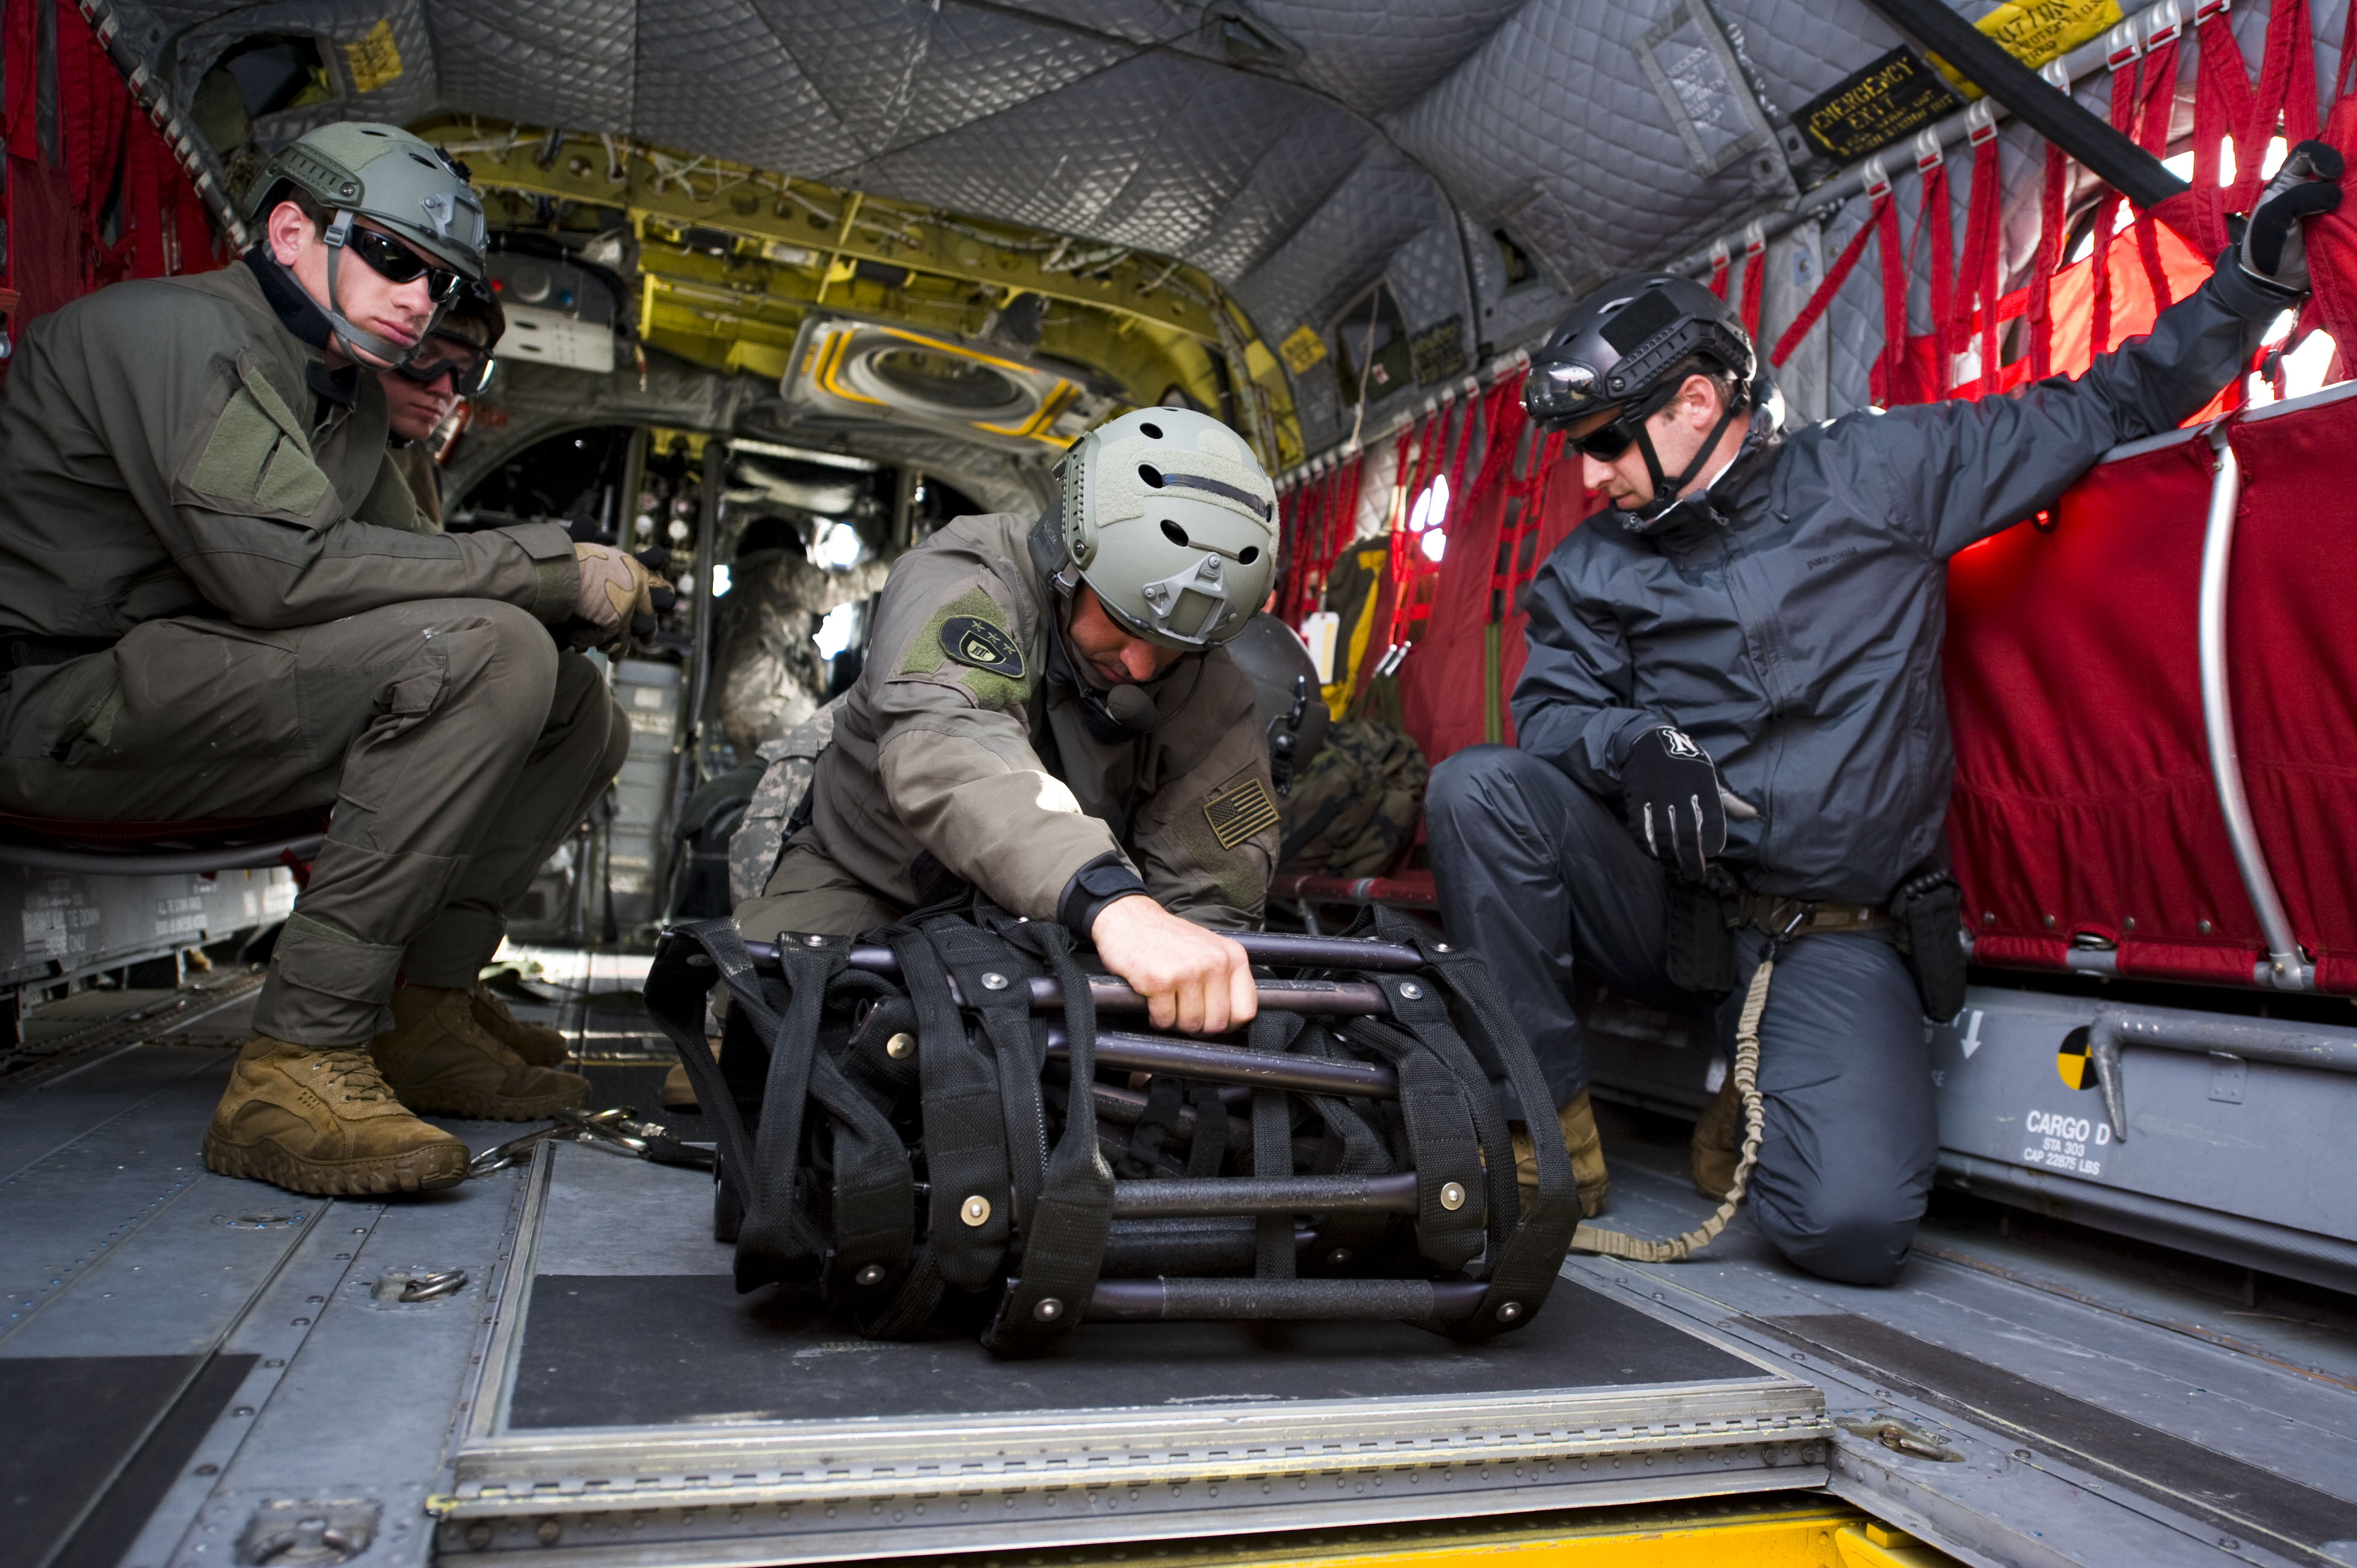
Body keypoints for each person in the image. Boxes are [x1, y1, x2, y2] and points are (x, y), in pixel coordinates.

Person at [1425, 147, 2344, 1283]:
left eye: (1606, 441)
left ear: (1696, 403)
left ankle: (1761, 1089)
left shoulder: (1883, 474)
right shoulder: (1590, 568)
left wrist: (2248, 289)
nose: (1589, 475)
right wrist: (1631, 743)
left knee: (1848, 1228)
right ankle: (1545, 1134)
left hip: (1827, 931)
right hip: (1669, 910)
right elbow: (1552, 712)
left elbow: (2106, 403)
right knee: (1478, 790)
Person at [0, 120, 661, 1196]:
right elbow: (279, 574)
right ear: (290, 232)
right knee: (491, 651)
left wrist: (572, 597)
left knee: (573, 703)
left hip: (178, 691)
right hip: (60, 707)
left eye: (440, 282)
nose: (419, 298)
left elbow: (413, 569)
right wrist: (546, 570)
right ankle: (296, 1063)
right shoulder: (177, 333)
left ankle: (422, 1009)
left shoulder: (340, 390)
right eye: (395, 257)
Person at [733, 406, 1281, 1036]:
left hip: (1054, 923)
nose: (1140, 665)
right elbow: (951, 744)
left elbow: (1216, 883)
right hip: (872, 880)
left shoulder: (1210, 684)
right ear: (1069, 560)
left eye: (1173, 646)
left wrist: (1184, 1011)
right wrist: (1110, 900)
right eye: (1124, 623)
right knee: (783, 1034)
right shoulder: (970, 575)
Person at [379, 278, 503, 530]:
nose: (444, 389)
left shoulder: (419, 463)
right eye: (421, 355)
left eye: (463, 371)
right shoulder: (323, 444)